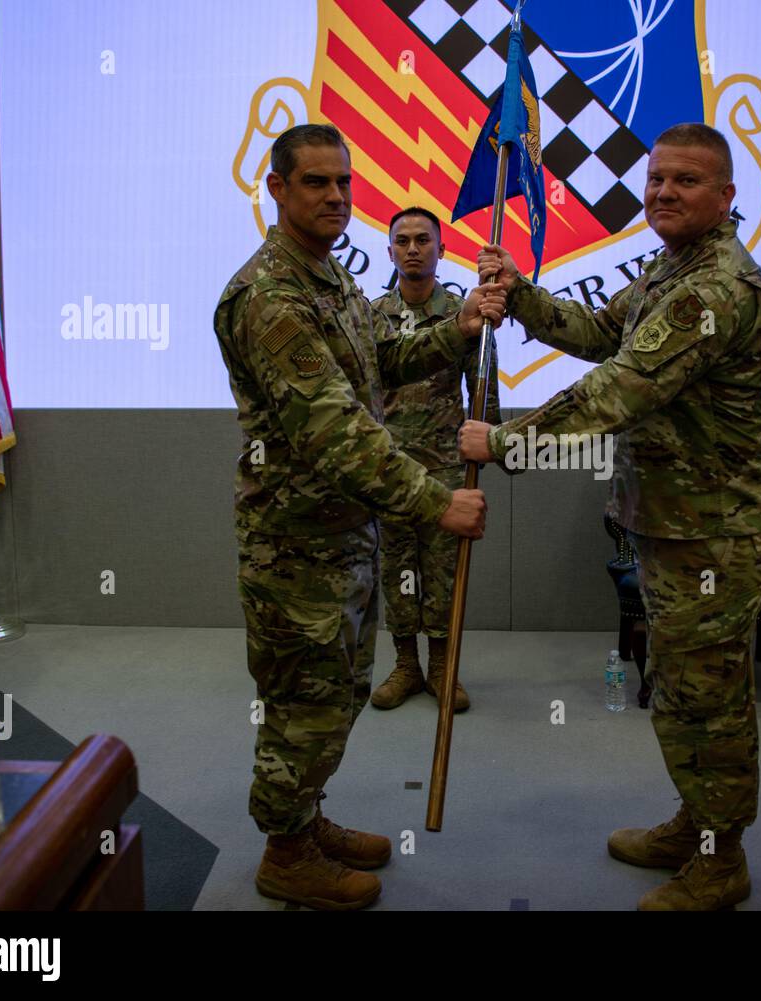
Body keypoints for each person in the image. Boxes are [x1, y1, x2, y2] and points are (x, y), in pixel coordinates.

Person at [460, 123, 761, 911]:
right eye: (656, 180)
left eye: (685, 181)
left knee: (708, 698)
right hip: (673, 525)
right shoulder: (671, 271)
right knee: (680, 689)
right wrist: (526, 295)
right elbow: (604, 333)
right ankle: (695, 822)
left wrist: (503, 440)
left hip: (715, 533)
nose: (664, 193)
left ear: (727, 196)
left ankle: (722, 857)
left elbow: (616, 390)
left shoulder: (715, 290)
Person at [213, 123, 504, 910]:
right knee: (304, 700)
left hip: (344, 533)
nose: (336, 196)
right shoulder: (271, 297)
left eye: (343, 182)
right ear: (276, 189)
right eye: (316, 183)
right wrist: (438, 500)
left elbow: (380, 365)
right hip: (296, 542)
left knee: (339, 690)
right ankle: (284, 850)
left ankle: (306, 819)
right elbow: (336, 432)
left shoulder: (331, 280)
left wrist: (457, 330)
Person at [369, 208, 504, 713]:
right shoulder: (374, 315)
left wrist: (487, 441)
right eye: (401, 240)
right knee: (397, 571)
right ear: (389, 253)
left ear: (441, 250)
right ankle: (406, 665)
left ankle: (444, 668)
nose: (412, 248)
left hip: (446, 467)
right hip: (389, 468)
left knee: (444, 574)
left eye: (422, 239)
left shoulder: (463, 313)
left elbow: (483, 382)